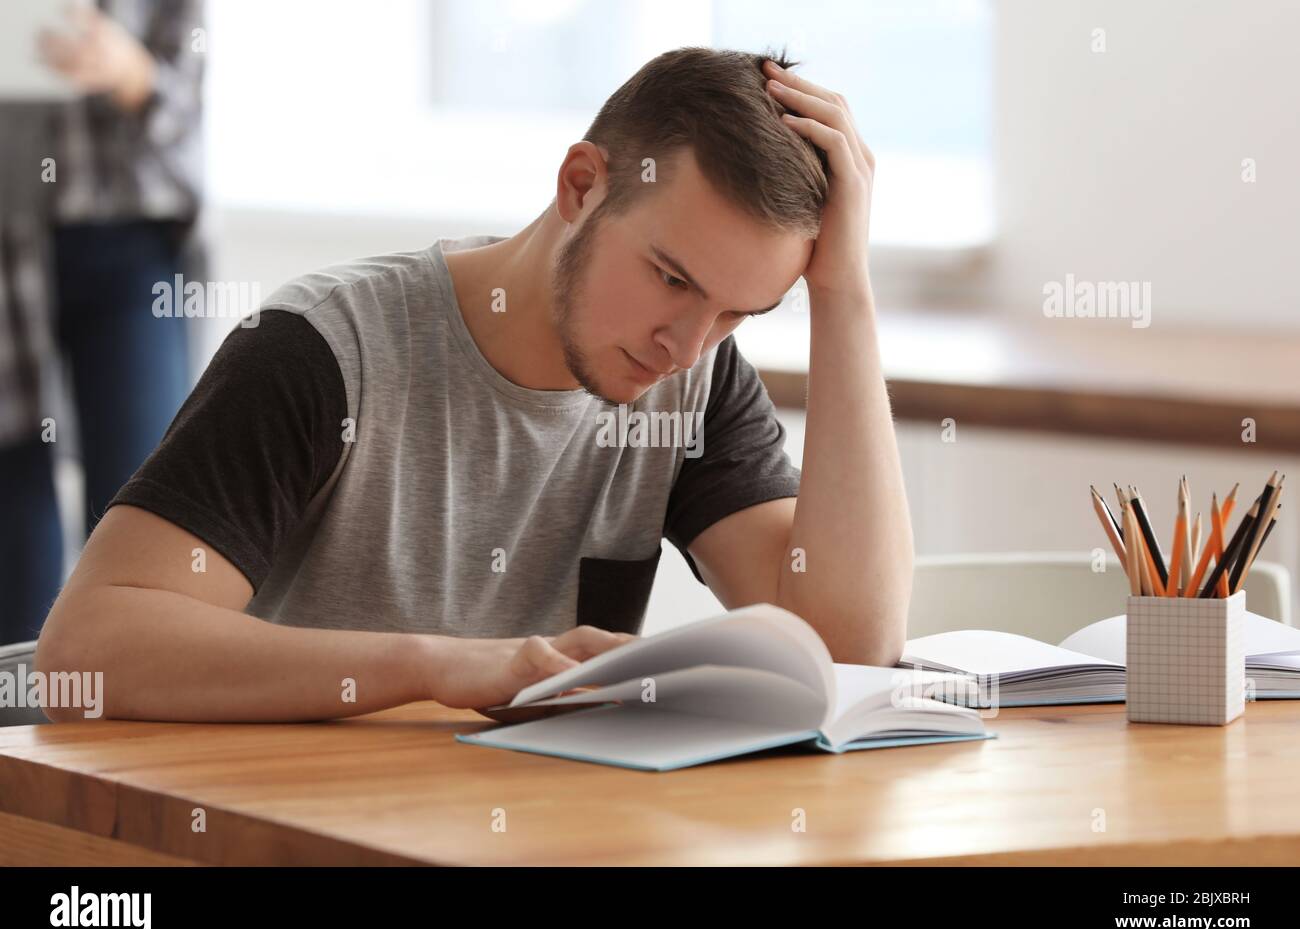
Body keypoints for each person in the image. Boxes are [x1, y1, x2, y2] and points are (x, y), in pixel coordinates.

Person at [36, 47, 913, 723]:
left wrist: (845, 296)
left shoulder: (691, 385)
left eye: (737, 314)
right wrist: (442, 667)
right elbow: (90, 647)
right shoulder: (324, 348)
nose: (686, 345)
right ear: (581, 186)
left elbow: (849, 647)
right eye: (672, 279)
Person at [0, 1, 205, 647]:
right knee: (13, 490)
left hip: (131, 238)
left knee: (144, 499)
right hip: (8, 241)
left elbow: (187, 109)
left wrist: (129, 70)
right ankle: (14, 730)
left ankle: (138, 718)